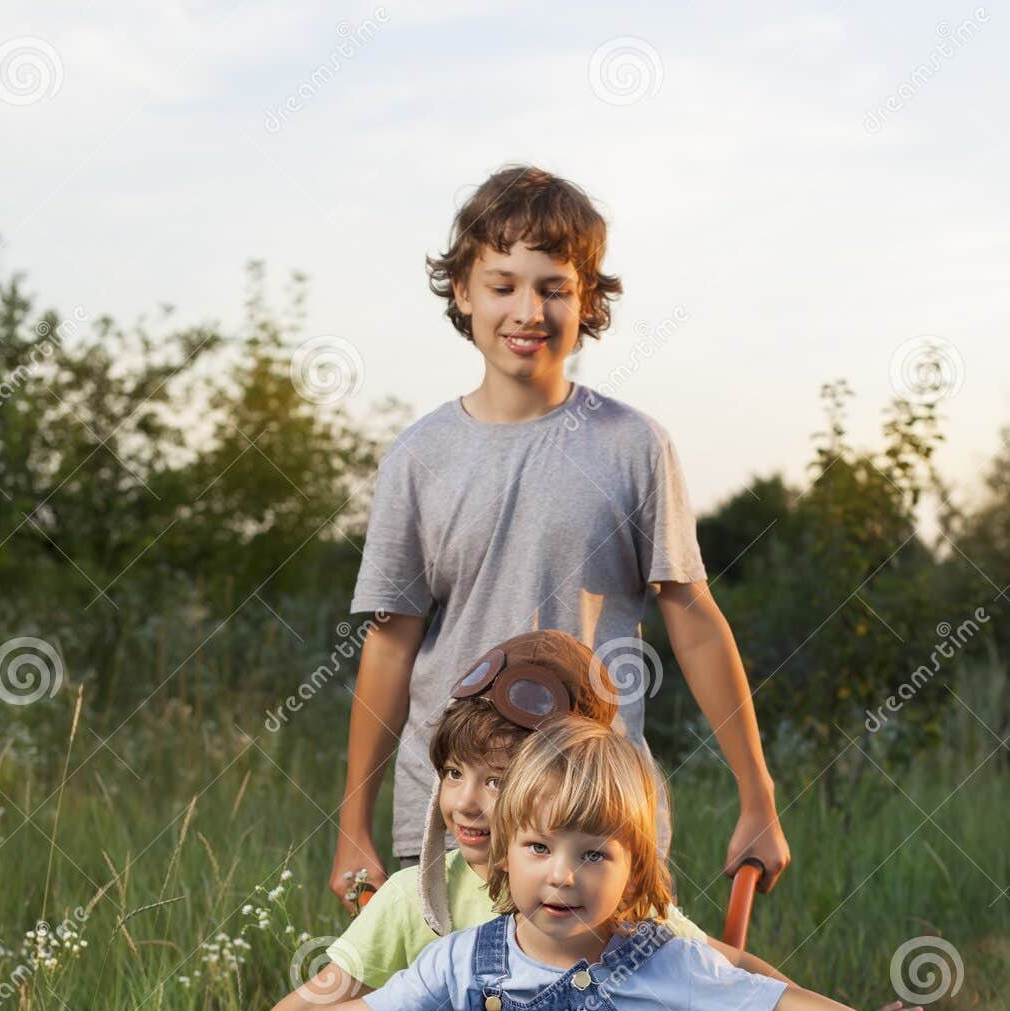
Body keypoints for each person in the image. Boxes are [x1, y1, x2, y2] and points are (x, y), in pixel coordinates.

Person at [123, 720, 929, 1011]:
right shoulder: (464, 959)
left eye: (593, 856)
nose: (562, 878)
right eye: (540, 849)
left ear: (633, 869)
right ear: (503, 853)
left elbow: (771, 1006)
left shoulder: (654, 954)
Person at [329, 162, 791, 910]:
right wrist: (354, 828)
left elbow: (695, 621)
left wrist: (757, 797)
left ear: (586, 301)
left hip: (593, 813)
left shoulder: (633, 445)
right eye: (503, 284)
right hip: (457, 822)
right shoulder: (418, 458)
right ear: (462, 292)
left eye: (553, 288)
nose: (527, 311)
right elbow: (388, 645)